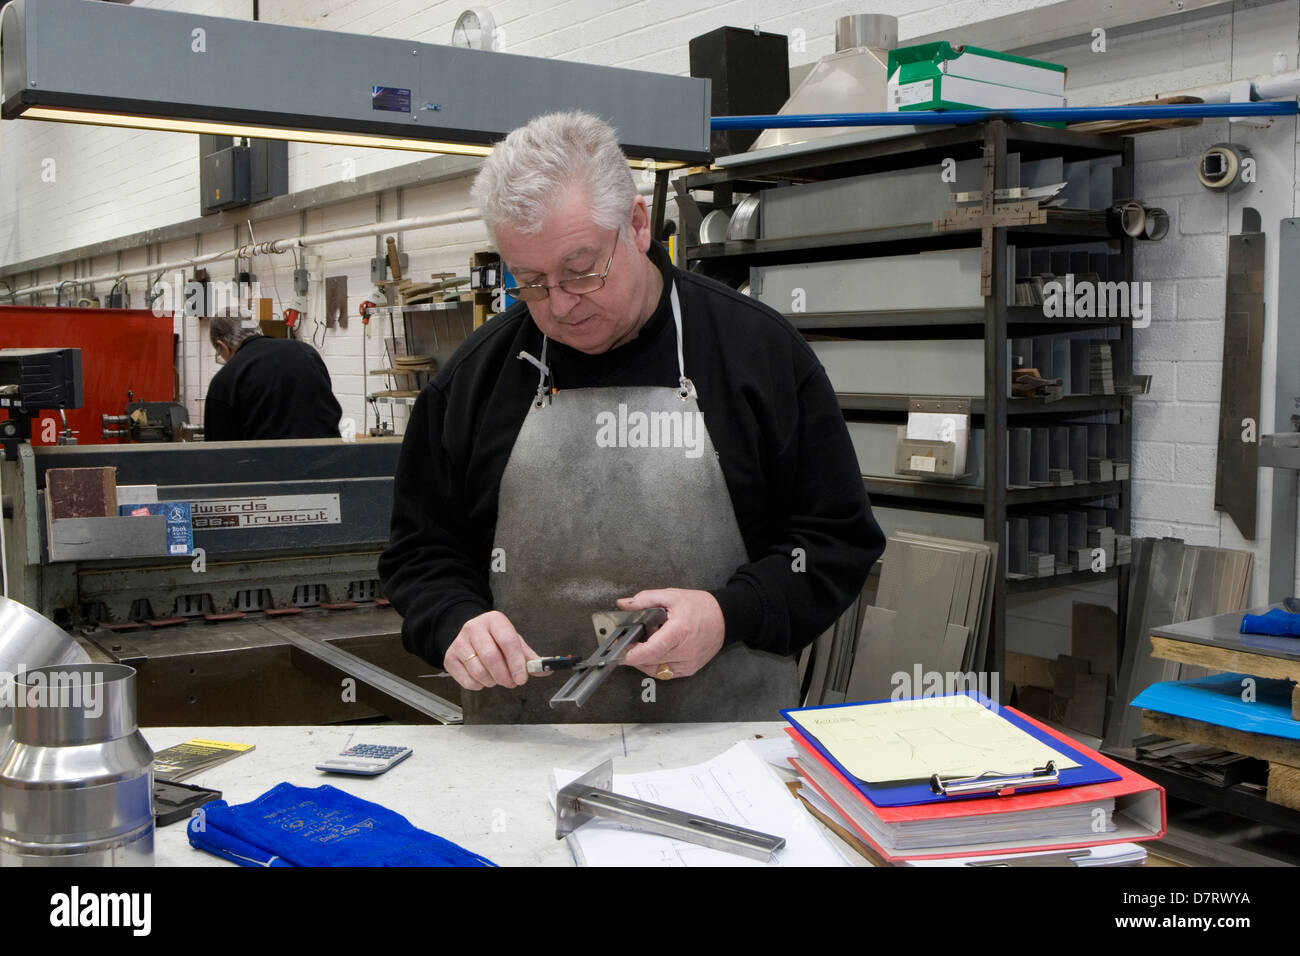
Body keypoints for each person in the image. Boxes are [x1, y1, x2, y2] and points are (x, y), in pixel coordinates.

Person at [379, 110, 885, 723]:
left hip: (725, 748)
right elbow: (421, 553)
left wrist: (731, 614)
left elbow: (834, 541)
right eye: (531, 283)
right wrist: (455, 621)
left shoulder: (758, 355)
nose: (561, 305)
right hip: (522, 749)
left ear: (638, 224)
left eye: (581, 269)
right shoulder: (475, 380)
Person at [204, 316, 343, 441]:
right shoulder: (306, 351)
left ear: (222, 345)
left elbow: (217, 451)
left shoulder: (226, 378)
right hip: (329, 460)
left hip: (269, 465)